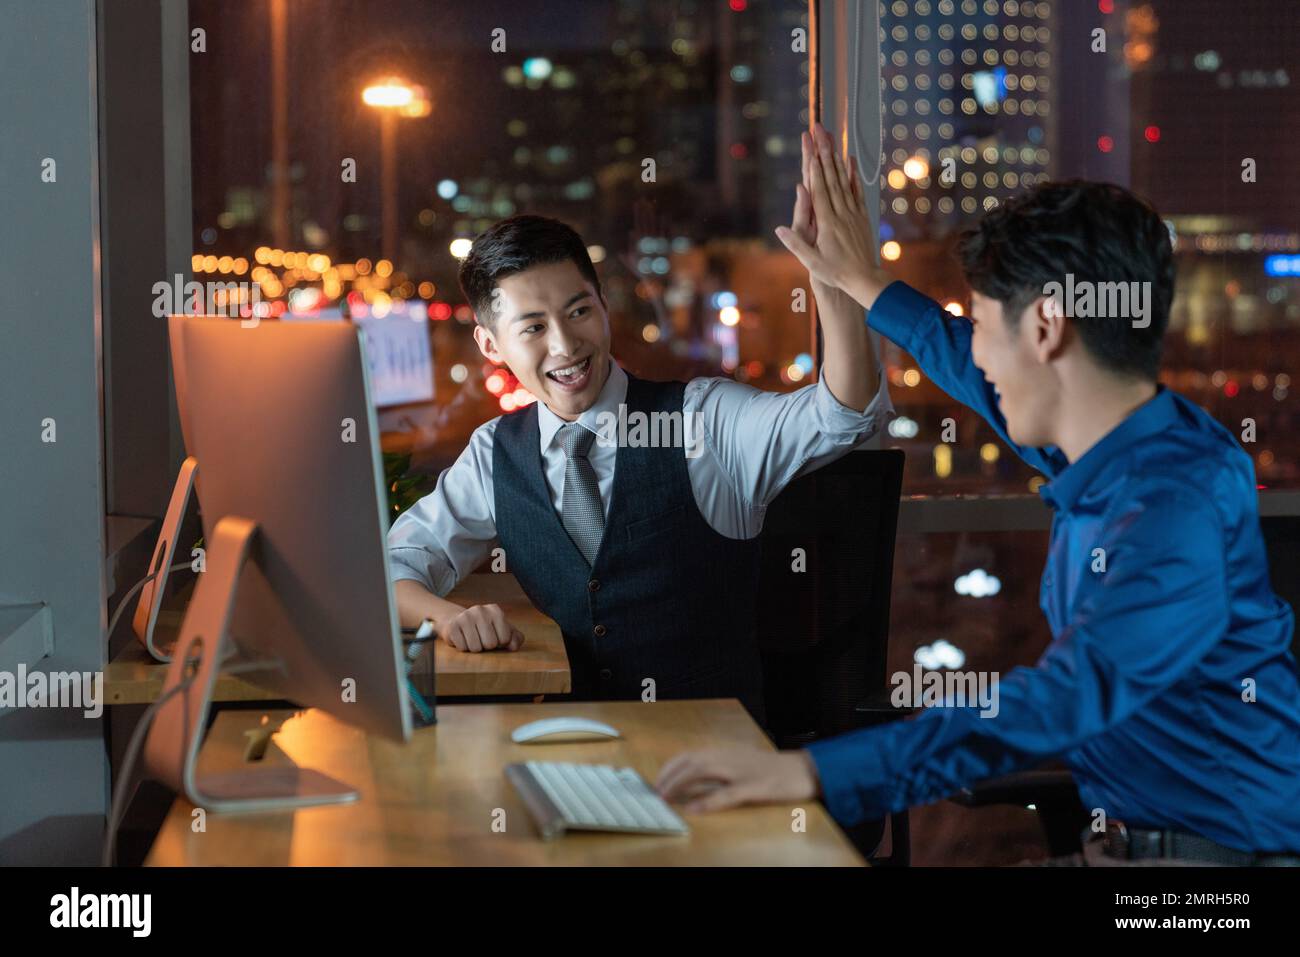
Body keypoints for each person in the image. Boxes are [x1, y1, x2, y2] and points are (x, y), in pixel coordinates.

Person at [657, 173, 1300, 863]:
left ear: (1048, 329)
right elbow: (962, 360)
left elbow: (1061, 699)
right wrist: (863, 281)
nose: (981, 350)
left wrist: (806, 774)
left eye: (989, 326)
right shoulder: (1126, 444)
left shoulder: (1173, 506)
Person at [387, 124, 892, 718]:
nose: (565, 344)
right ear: (491, 345)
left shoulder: (703, 417)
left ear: (603, 305)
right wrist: (448, 617)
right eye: (532, 328)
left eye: (579, 310)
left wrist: (835, 290)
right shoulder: (495, 453)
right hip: (570, 750)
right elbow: (396, 567)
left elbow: (842, 413)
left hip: (714, 763)